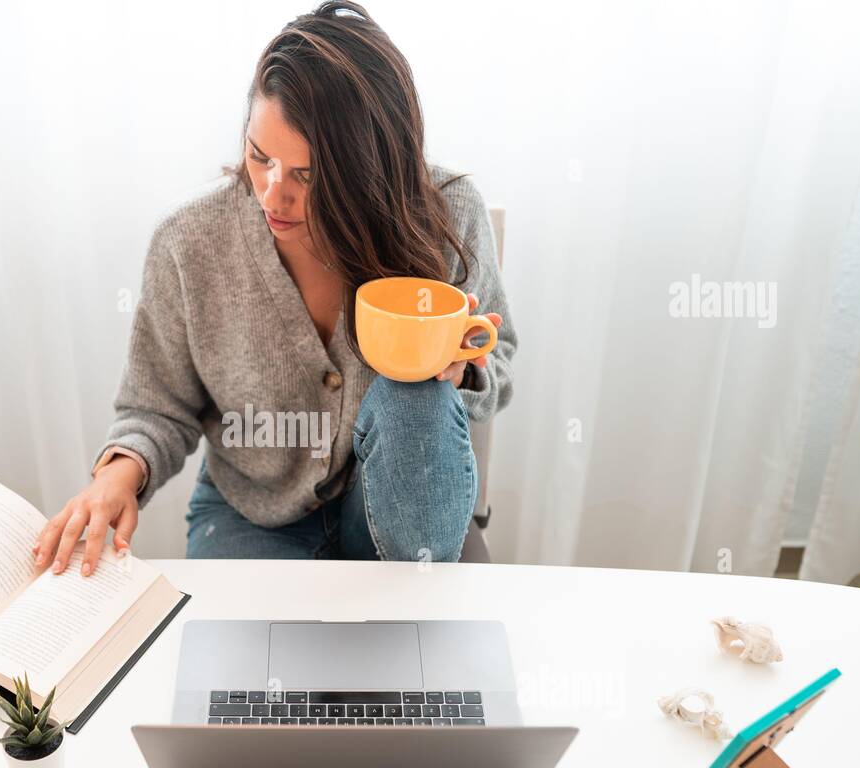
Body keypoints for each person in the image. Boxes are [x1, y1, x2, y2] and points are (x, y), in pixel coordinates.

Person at [33, 1, 515, 576]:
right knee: (251, 663)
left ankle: (413, 611)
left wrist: (460, 367)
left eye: (306, 176)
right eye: (260, 157)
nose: (272, 194)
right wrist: (116, 476)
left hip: (404, 512)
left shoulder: (446, 213)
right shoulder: (189, 241)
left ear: (368, 169)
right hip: (250, 513)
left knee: (414, 394)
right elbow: (155, 405)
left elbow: (498, 358)